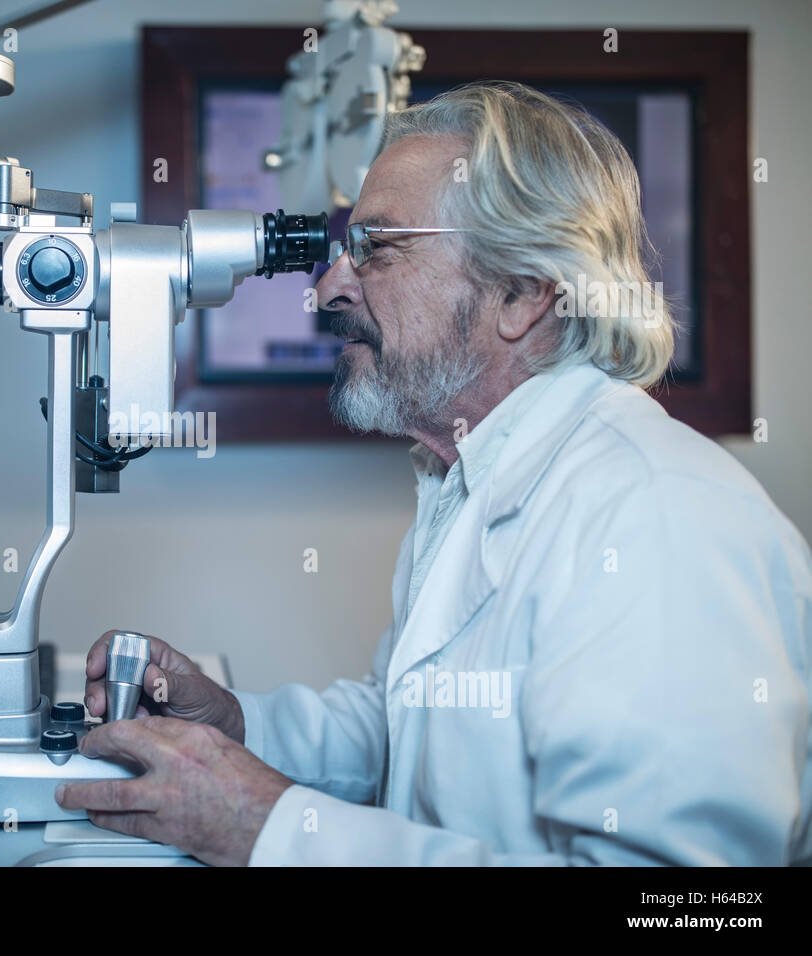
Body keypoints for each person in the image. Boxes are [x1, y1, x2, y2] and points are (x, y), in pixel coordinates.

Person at [56, 81, 812, 866]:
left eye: (377, 247)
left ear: (520, 293)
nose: (328, 289)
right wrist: (235, 726)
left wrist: (272, 829)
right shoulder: (469, 477)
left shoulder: (654, 516)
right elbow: (412, 731)